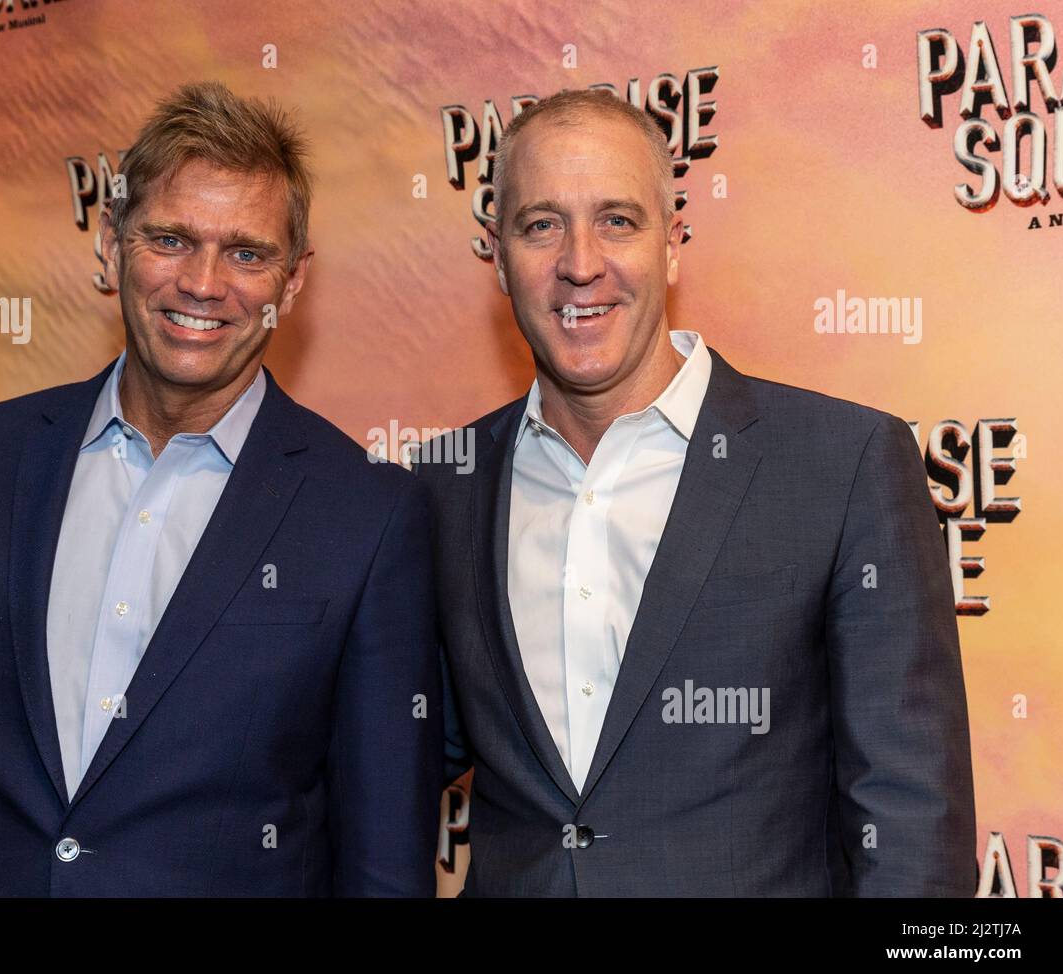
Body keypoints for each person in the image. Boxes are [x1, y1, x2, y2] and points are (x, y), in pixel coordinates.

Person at [0, 81, 443, 897]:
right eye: (171, 239)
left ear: (291, 285)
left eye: (247, 253)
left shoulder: (367, 516)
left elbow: (383, 863)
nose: (205, 282)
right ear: (110, 245)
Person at [415, 88, 976, 896]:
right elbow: (390, 761)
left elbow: (911, 815)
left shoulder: (842, 463)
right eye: (540, 224)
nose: (580, 262)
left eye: (618, 220)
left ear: (673, 242)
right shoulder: (443, 486)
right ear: (497, 256)